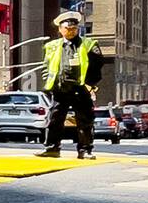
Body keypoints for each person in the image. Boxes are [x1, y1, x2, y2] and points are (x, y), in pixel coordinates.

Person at [35, 10, 104, 160]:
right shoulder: (52, 46)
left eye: (74, 28)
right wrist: (49, 85)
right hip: (60, 88)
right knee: (54, 119)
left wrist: (89, 85)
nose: (71, 31)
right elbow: (46, 67)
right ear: (60, 29)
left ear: (77, 29)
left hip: (80, 89)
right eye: (67, 28)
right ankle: (52, 148)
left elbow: (97, 65)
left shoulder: (88, 44)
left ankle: (85, 150)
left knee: (84, 121)